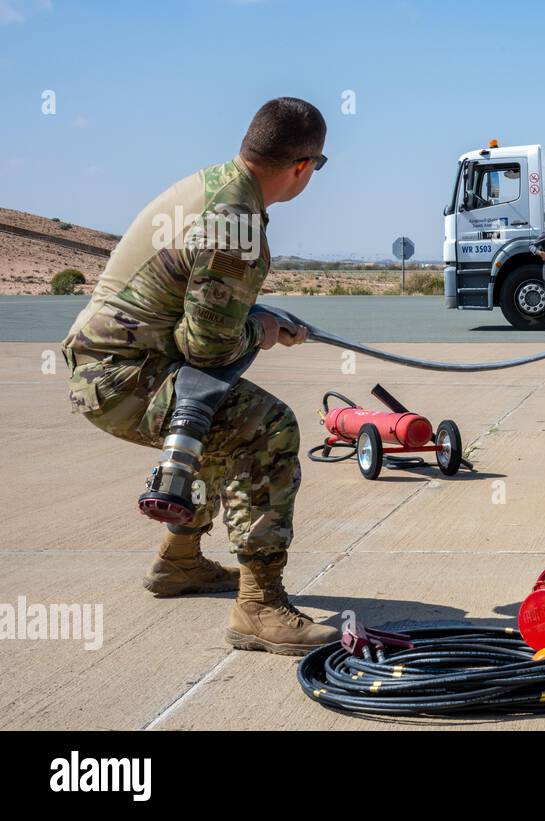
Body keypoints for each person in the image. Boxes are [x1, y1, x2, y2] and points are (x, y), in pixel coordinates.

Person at [61, 97, 338, 655]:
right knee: (267, 427)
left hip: (110, 364)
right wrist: (259, 330)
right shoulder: (235, 223)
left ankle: (180, 562)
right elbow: (207, 349)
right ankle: (258, 606)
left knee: (217, 415)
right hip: (119, 377)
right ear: (303, 166)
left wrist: (257, 318)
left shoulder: (217, 185)